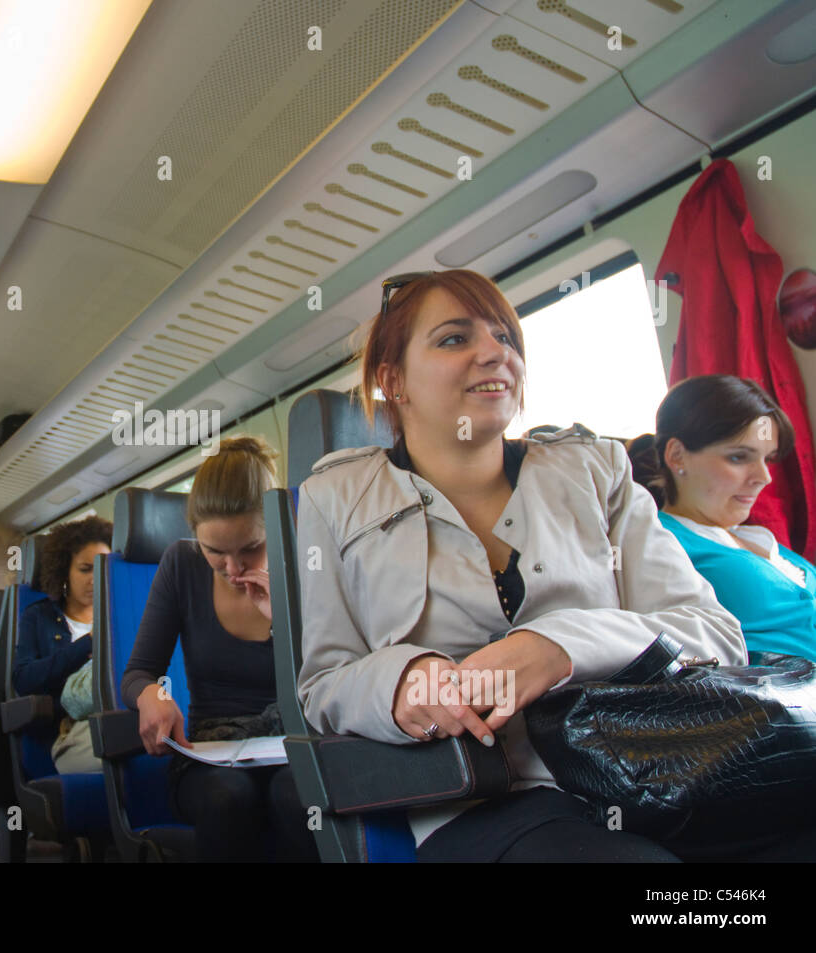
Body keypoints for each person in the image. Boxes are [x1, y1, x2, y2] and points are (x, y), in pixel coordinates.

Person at [295, 269, 768, 862]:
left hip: (655, 763)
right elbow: (325, 682)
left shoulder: (598, 472)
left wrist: (557, 648)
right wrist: (402, 680)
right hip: (484, 798)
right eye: (453, 339)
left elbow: (715, 633)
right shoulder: (334, 498)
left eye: (505, 338)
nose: (495, 353)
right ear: (394, 381)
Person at [122, 437, 319, 862]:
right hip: (212, 752)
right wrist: (151, 695)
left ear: (278, 527)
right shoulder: (181, 564)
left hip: (296, 742)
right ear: (196, 537)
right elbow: (138, 671)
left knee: (297, 796)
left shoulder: (307, 562)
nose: (233, 569)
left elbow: (334, 672)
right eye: (215, 552)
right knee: (228, 798)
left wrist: (285, 618)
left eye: (251, 549)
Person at [629, 374, 816, 660]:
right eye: (739, 457)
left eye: (767, 458)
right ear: (677, 455)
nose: (763, 477)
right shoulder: (660, 541)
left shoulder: (757, 539)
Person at [13, 515, 112, 774]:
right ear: (64, 571)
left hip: (120, 719)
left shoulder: (120, 617)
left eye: (103, 567)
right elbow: (23, 679)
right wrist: (84, 647)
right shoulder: (38, 616)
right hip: (67, 729)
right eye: (84, 568)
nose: (94, 578)